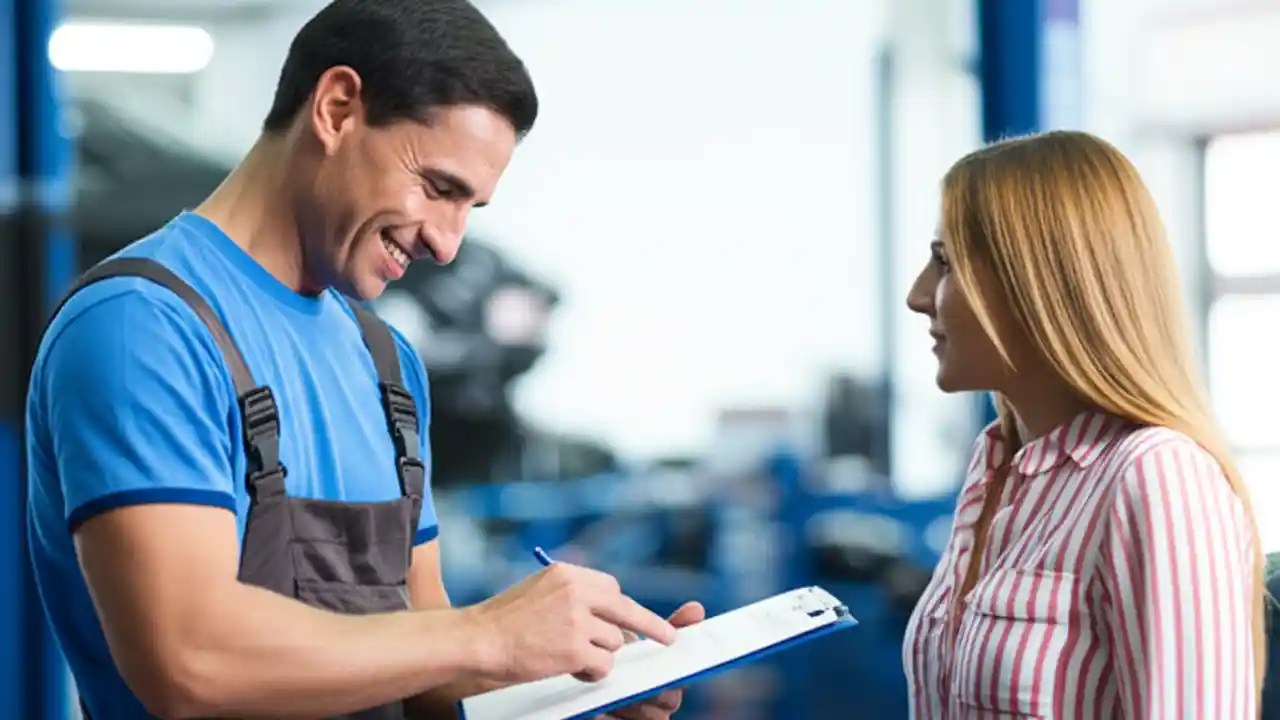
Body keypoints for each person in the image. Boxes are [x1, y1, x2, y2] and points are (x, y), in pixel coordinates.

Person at [25, 1, 704, 718]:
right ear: (338, 108)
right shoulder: (144, 326)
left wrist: (578, 693)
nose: (447, 243)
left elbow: (426, 671)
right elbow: (190, 657)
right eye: (439, 188)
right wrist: (485, 633)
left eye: (470, 207)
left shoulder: (387, 363)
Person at [902, 131, 1267, 719]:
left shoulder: (1157, 476)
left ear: (1037, 280)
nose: (918, 295)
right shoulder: (995, 462)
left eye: (945, 262)